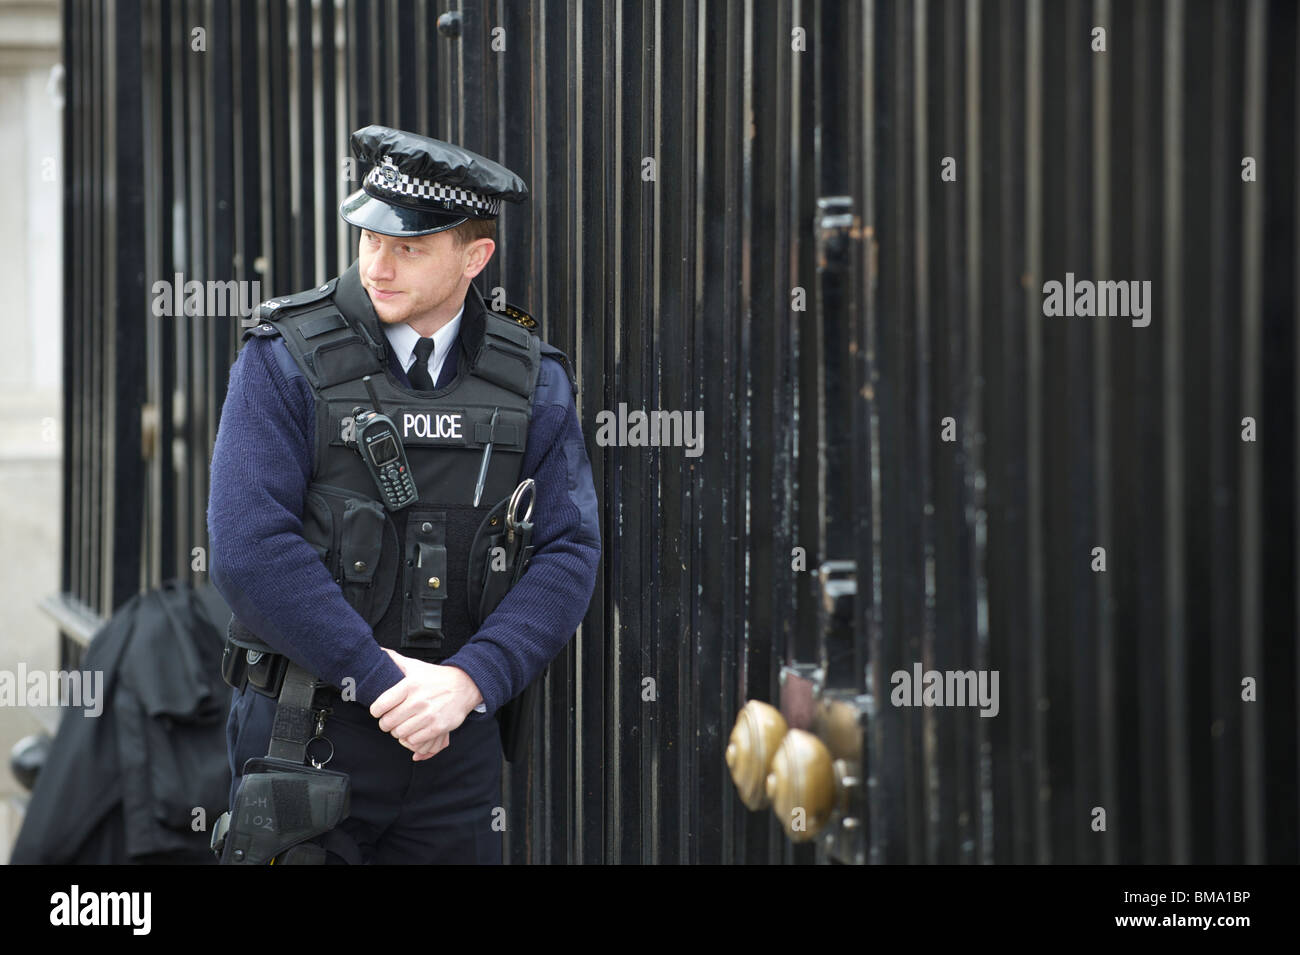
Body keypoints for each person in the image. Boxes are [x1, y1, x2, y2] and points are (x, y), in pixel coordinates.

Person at [207, 125, 601, 864]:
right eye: (369, 238)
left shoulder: (532, 377)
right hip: (307, 735)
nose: (378, 264)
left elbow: (568, 549)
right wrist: (386, 683)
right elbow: (249, 547)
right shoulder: (283, 359)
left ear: (474, 257)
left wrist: (471, 679)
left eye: (409, 247)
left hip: (452, 749)